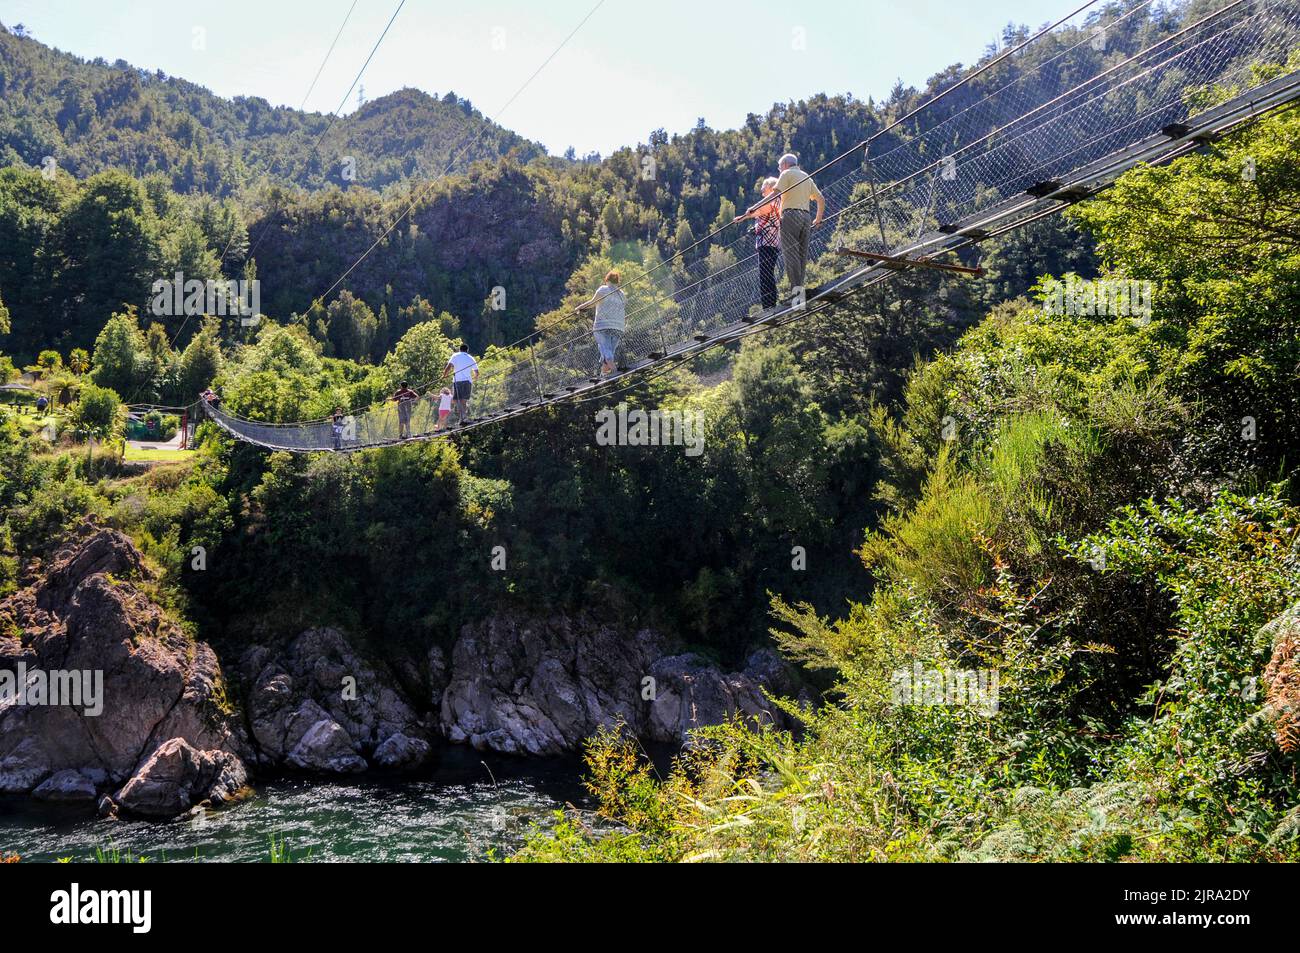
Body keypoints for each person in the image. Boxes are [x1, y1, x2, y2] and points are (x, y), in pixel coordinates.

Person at [774, 153, 825, 300]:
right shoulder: (806, 177)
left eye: (779, 167)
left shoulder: (786, 174)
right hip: (806, 217)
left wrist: (754, 208)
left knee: (791, 255)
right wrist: (818, 218)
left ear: (784, 165)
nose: (779, 170)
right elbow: (821, 199)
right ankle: (799, 293)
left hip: (790, 215)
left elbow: (775, 194)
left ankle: (796, 295)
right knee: (802, 255)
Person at [733, 176, 783, 310]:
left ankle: (769, 306)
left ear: (771, 188)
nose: (762, 192)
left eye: (763, 189)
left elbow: (757, 211)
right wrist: (745, 219)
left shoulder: (772, 202)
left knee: (765, 274)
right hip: (772, 242)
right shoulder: (778, 202)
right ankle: (769, 304)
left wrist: (743, 217)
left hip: (767, 243)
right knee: (767, 273)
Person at [577, 269, 627, 377]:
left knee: (607, 352)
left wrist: (579, 308)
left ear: (606, 280)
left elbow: (592, 303)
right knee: (608, 353)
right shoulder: (622, 294)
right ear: (617, 282)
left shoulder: (603, 290)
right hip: (618, 327)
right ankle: (603, 373)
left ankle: (615, 372)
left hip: (602, 326)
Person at [443, 344, 479, 424]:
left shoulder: (455, 355)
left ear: (460, 349)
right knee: (464, 401)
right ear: (467, 350)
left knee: (456, 399)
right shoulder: (470, 358)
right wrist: (475, 378)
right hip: (468, 381)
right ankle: (463, 418)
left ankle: (463, 416)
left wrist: (444, 375)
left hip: (457, 381)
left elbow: (449, 366)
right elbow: (476, 372)